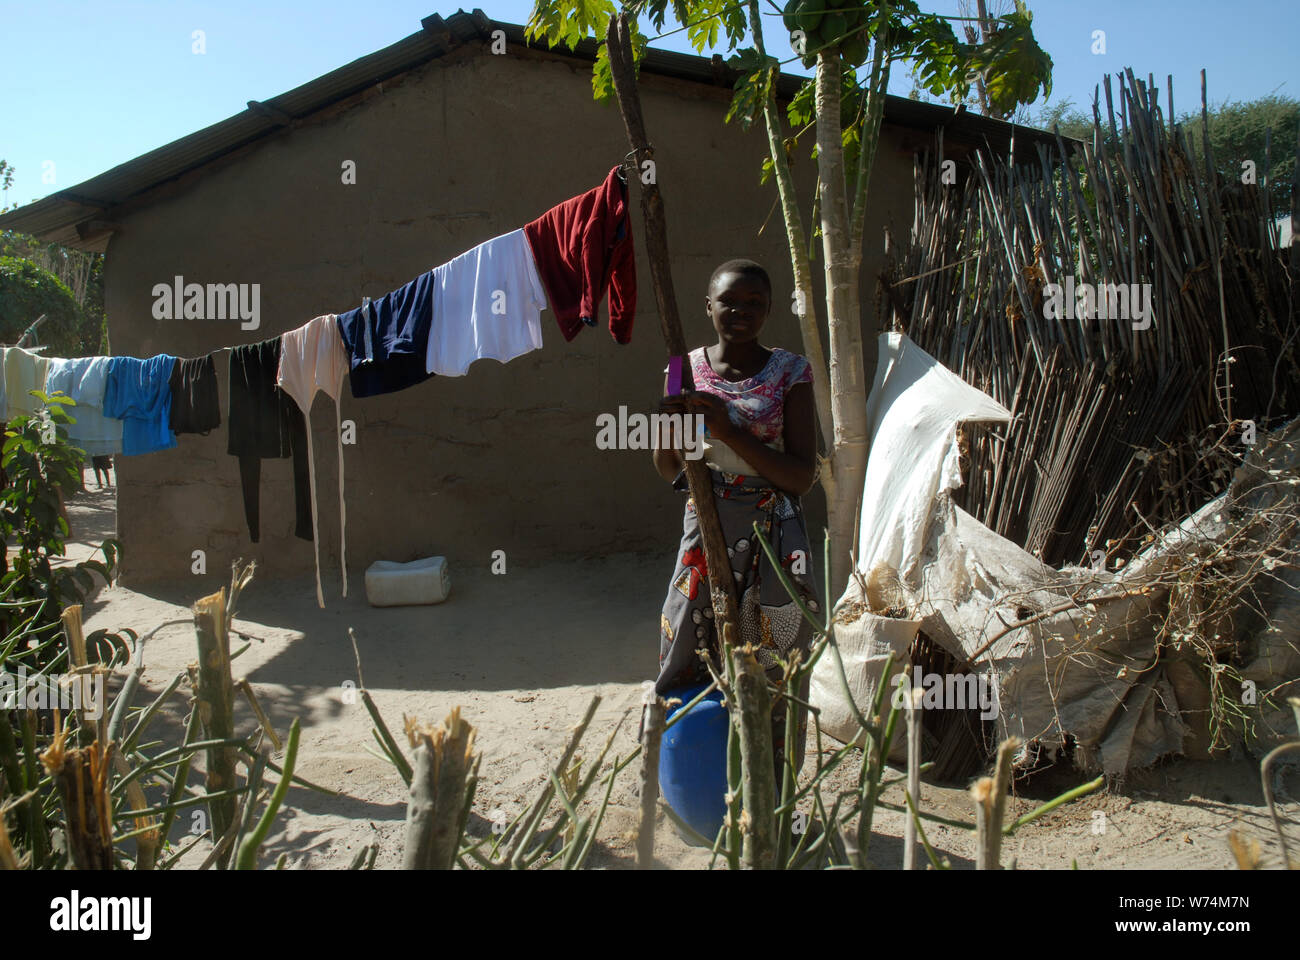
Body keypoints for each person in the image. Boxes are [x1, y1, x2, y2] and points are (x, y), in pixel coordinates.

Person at [651, 258, 822, 782]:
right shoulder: (682, 369)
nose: (741, 311)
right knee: (687, 639)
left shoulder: (791, 372)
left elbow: (800, 477)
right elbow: (667, 468)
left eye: (754, 303)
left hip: (774, 531)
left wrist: (727, 431)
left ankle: (771, 789)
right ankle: (695, 780)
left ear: (769, 310)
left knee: (775, 656)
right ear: (709, 307)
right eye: (729, 301)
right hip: (707, 524)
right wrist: (670, 431)